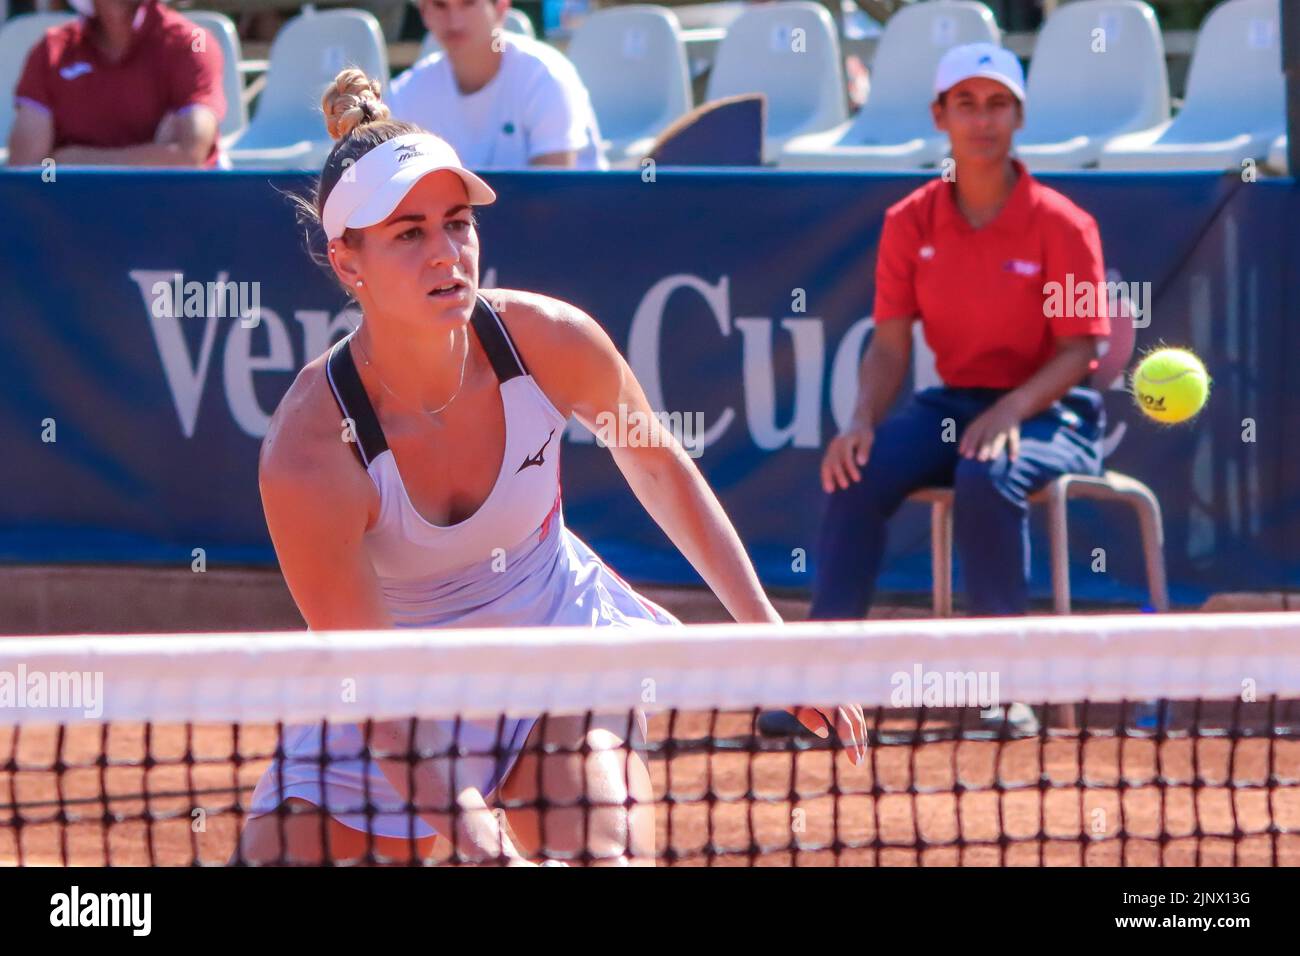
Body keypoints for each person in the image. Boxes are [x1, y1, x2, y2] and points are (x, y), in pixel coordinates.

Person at [235, 70, 864, 866]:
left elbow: (660, 469)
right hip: (387, 690)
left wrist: (774, 647)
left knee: (605, 857)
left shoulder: (552, 340)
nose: (446, 255)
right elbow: (379, 696)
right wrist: (484, 844)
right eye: (409, 234)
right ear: (348, 262)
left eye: (457, 224)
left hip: (552, 639)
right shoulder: (308, 454)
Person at [763, 43, 1110, 737]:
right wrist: (859, 419)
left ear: (1019, 117)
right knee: (854, 473)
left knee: (986, 473)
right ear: (940, 116)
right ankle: (820, 687)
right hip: (954, 405)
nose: (982, 120)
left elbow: (1082, 349)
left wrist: (1012, 410)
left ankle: (1004, 688)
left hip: (1054, 414)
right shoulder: (907, 221)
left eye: (998, 105)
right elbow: (890, 345)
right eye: (966, 104)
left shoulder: (1067, 225)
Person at [386, 0, 605, 170]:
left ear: (501, 6)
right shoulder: (407, 91)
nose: (454, 20)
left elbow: (553, 194)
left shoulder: (545, 75)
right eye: (439, 5)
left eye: (468, 3)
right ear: (424, 13)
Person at [7, 0, 225, 168]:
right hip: (75, 215)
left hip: (171, 213)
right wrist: (155, 155)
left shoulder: (192, 43)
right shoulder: (51, 50)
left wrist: (71, 158)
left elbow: (190, 156)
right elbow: (28, 167)